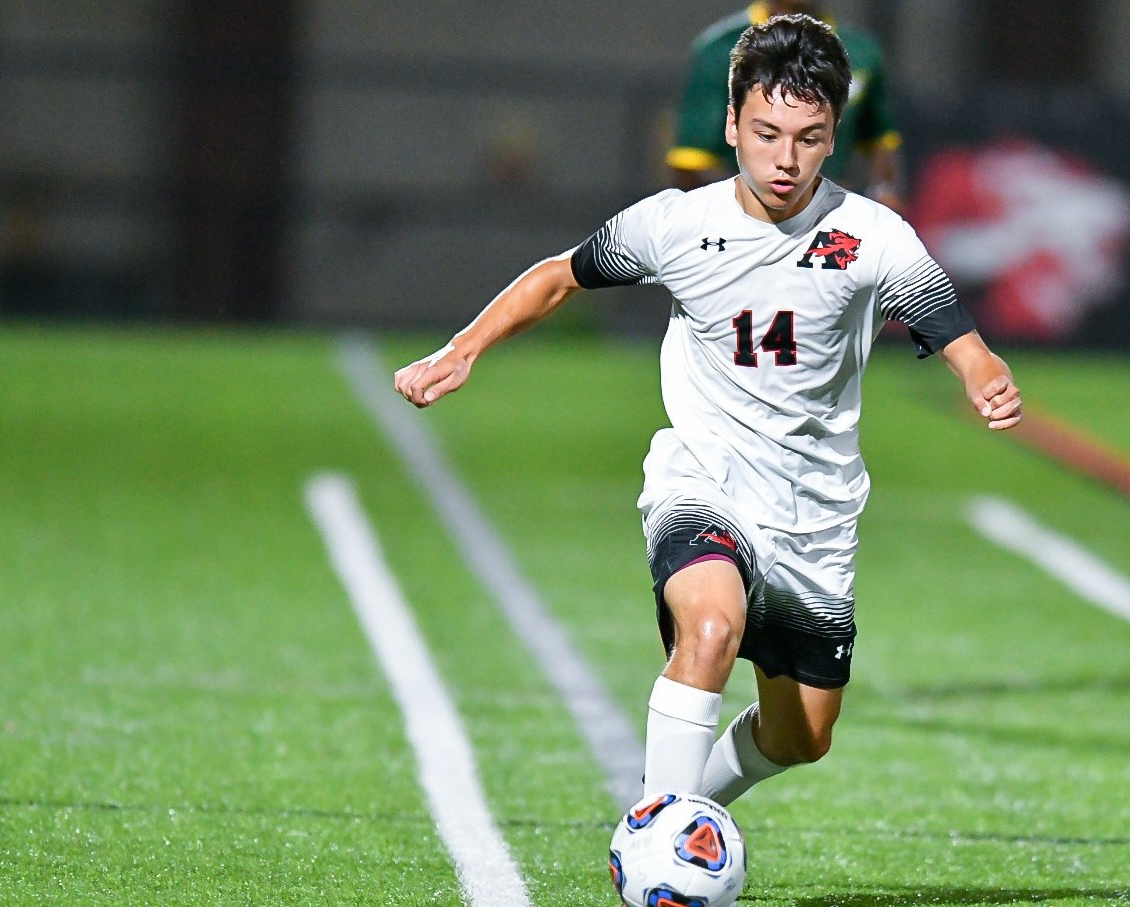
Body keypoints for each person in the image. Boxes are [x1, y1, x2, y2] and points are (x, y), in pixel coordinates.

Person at [396, 14, 1020, 819]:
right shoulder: (677, 226)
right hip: (705, 478)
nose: (784, 158)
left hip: (814, 516)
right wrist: (467, 345)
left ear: (835, 137)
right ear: (730, 124)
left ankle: (677, 809)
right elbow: (559, 276)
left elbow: (951, 329)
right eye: (765, 132)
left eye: (809, 136)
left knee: (803, 735)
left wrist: (986, 372)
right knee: (712, 627)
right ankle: (660, 834)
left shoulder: (870, 236)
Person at [668, 1, 904, 211]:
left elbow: (880, 146)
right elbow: (691, 165)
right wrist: (761, 210)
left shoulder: (861, 51)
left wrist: (878, 200)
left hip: (831, 223)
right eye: (766, 134)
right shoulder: (719, 50)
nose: (787, 158)